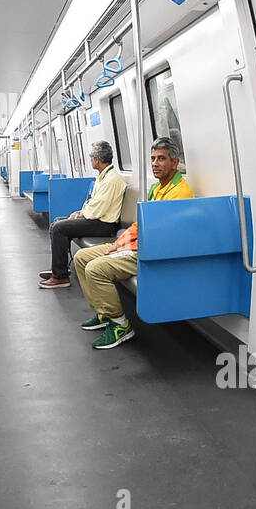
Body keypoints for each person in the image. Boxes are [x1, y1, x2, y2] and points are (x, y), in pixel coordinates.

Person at [73, 136, 193, 350]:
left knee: (95, 268)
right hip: (136, 245)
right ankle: (104, 313)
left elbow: (163, 236)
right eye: (153, 158)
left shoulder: (180, 193)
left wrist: (124, 248)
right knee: (81, 257)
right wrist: (119, 243)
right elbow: (141, 224)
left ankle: (120, 325)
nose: (155, 163)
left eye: (162, 159)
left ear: (175, 163)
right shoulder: (156, 188)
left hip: (151, 253)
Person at [38, 140, 125, 288]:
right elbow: (94, 203)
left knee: (59, 228)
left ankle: (61, 277)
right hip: (97, 219)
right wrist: (79, 212)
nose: (91, 161)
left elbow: (98, 210)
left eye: (91, 158)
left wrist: (79, 216)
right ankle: (59, 267)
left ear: (97, 159)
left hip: (104, 225)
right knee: (57, 222)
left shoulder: (111, 180)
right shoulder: (103, 177)